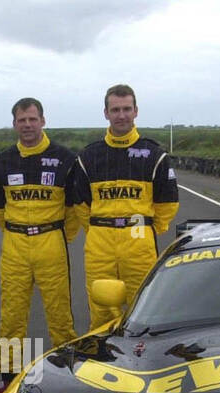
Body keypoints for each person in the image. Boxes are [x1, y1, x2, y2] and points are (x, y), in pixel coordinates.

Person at [0, 97, 80, 393]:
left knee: (60, 316)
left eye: (32, 119)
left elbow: (73, 211)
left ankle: (68, 380)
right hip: (14, 243)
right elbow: (0, 213)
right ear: (14, 123)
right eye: (21, 120)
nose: (27, 125)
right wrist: (20, 233)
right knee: (11, 317)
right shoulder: (1, 161)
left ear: (42, 120)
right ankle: (8, 381)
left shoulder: (65, 158)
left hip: (51, 241)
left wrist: (51, 236)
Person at [74, 84, 179, 327]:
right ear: (106, 113)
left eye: (126, 109)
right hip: (100, 240)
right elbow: (80, 204)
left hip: (138, 239)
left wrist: (149, 230)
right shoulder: (88, 157)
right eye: (115, 109)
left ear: (136, 111)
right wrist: (101, 230)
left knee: (142, 310)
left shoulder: (154, 155)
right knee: (101, 310)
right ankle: (101, 360)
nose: (121, 115)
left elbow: (167, 202)